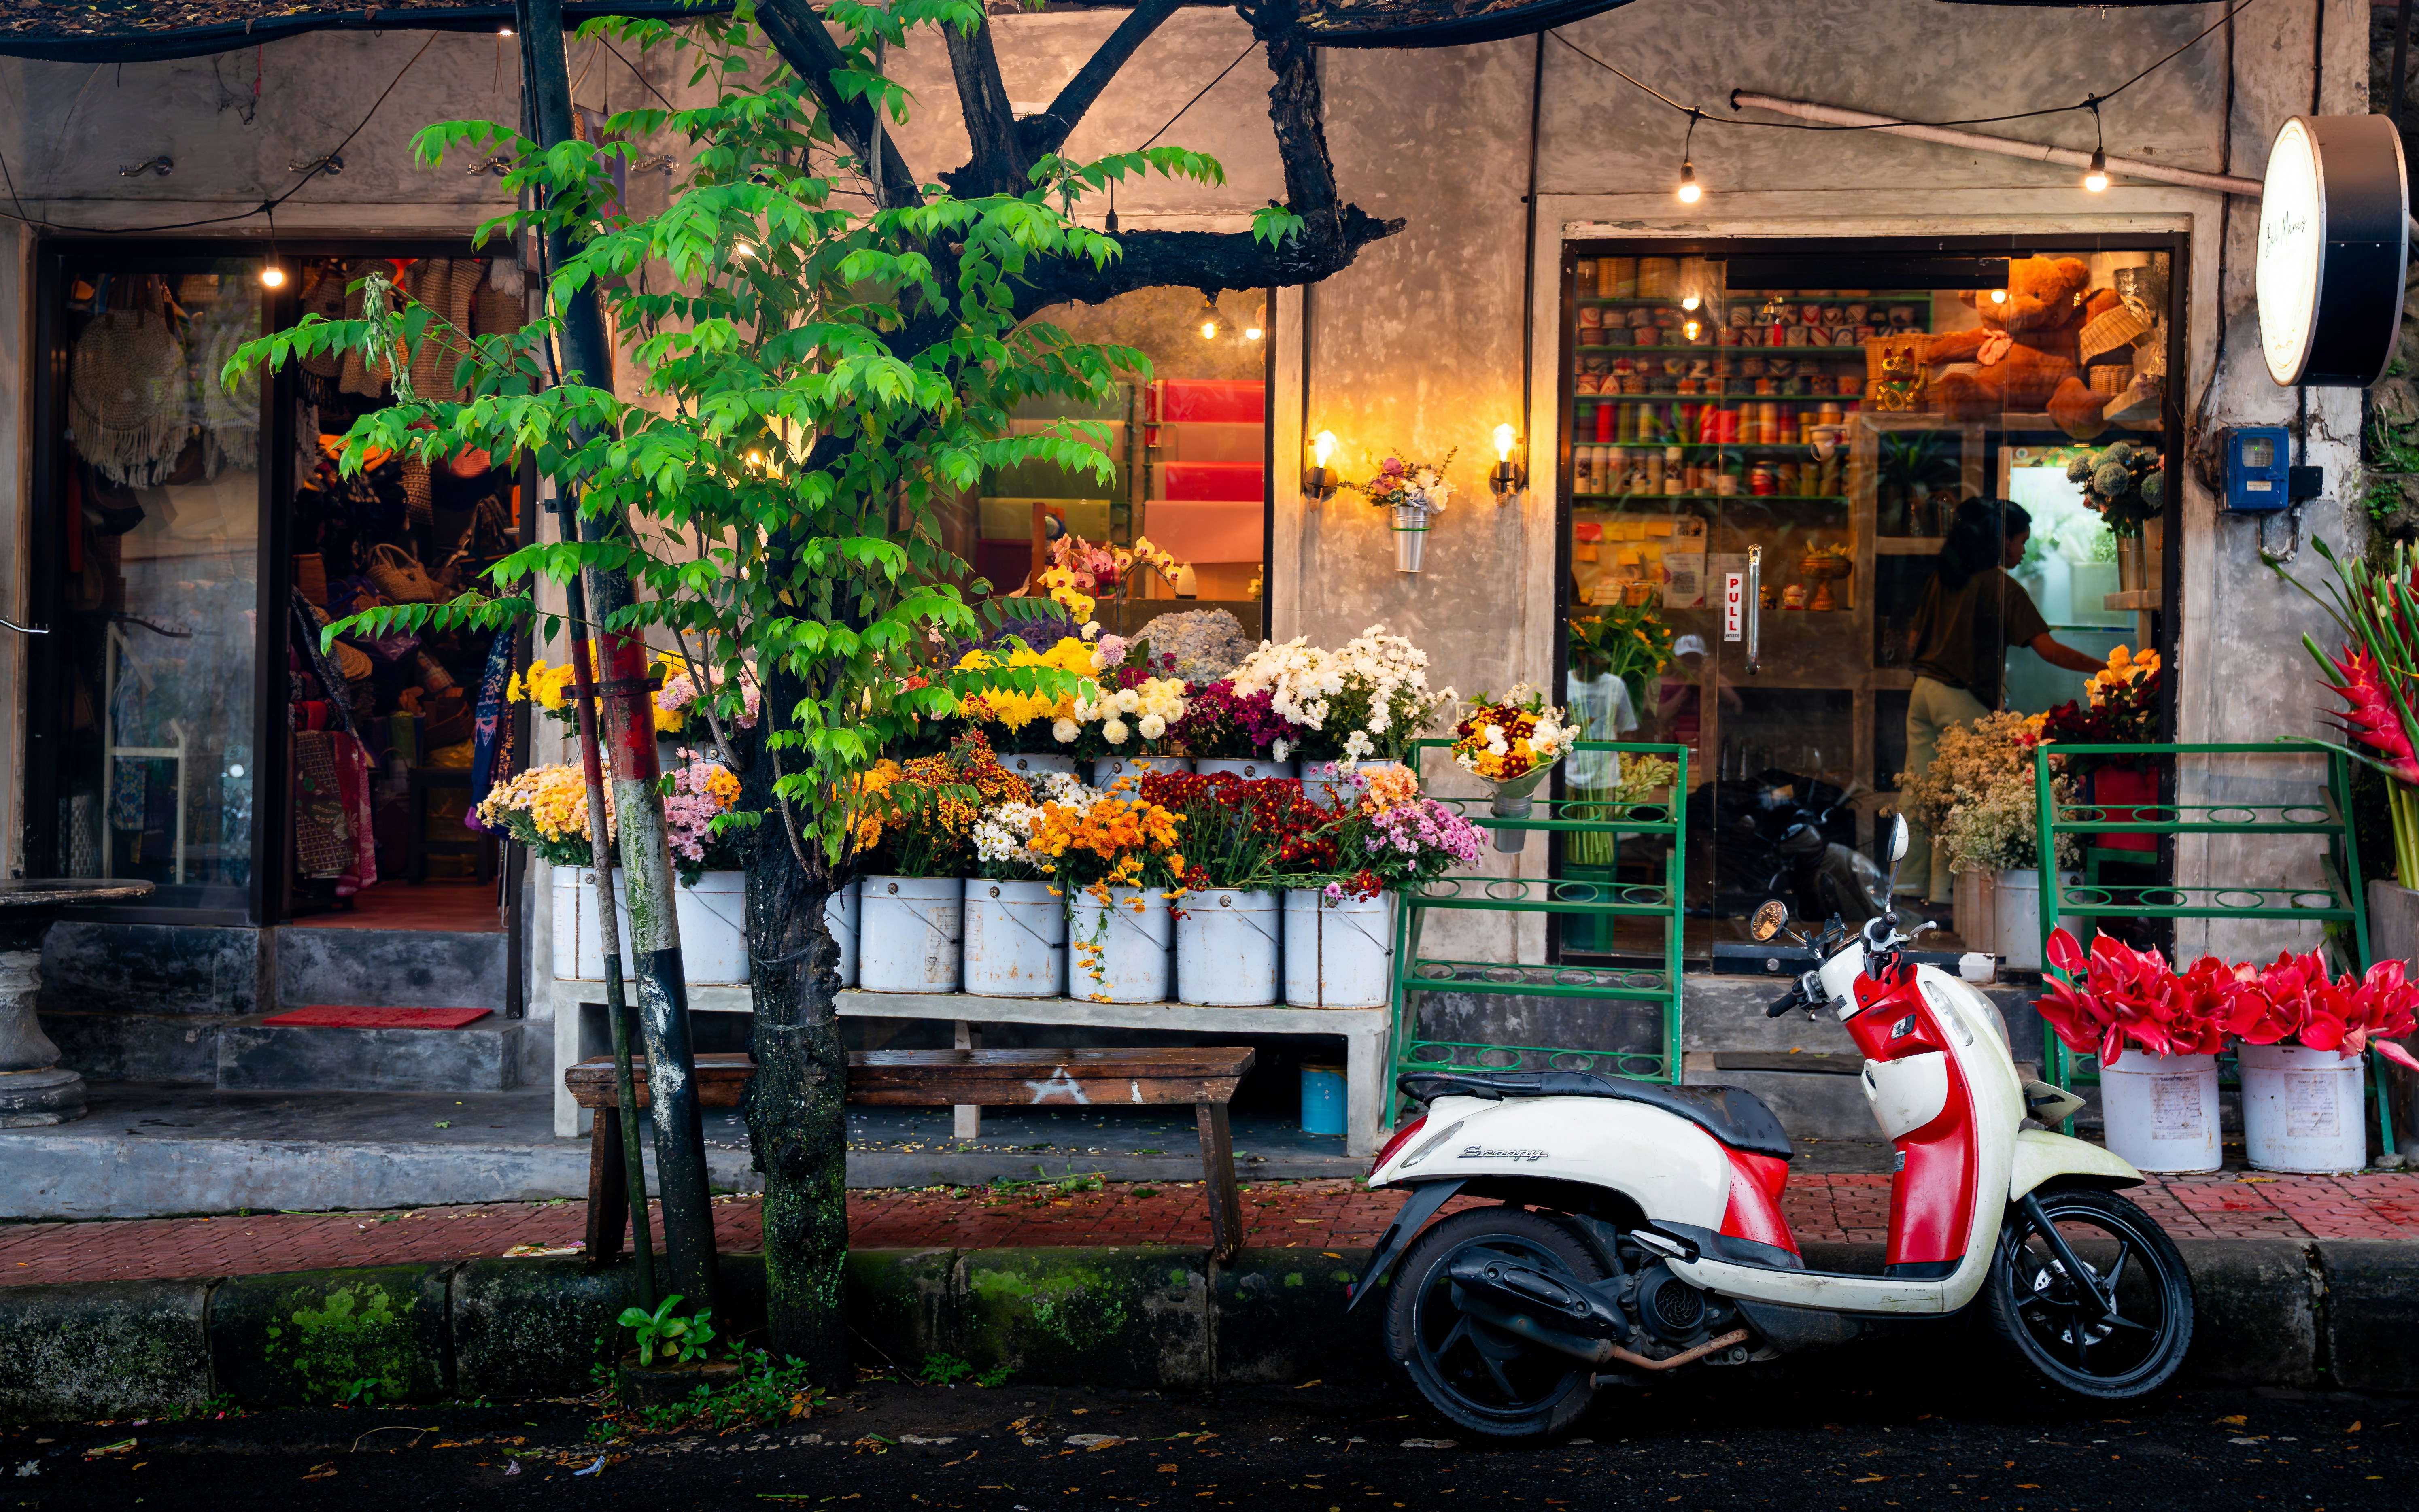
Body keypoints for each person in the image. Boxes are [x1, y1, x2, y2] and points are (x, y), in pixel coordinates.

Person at [1902, 497, 2105, 902]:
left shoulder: (1946, 577)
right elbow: (2047, 649)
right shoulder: (1999, 586)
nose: (2023, 550)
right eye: (2020, 541)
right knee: (1962, 797)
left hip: (1922, 692)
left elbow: (1912, 639)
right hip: (1961, 698)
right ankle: (1943, 898)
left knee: (1918, 795)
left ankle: (1906, 888)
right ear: (2001, 540)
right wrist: (2105, 669)